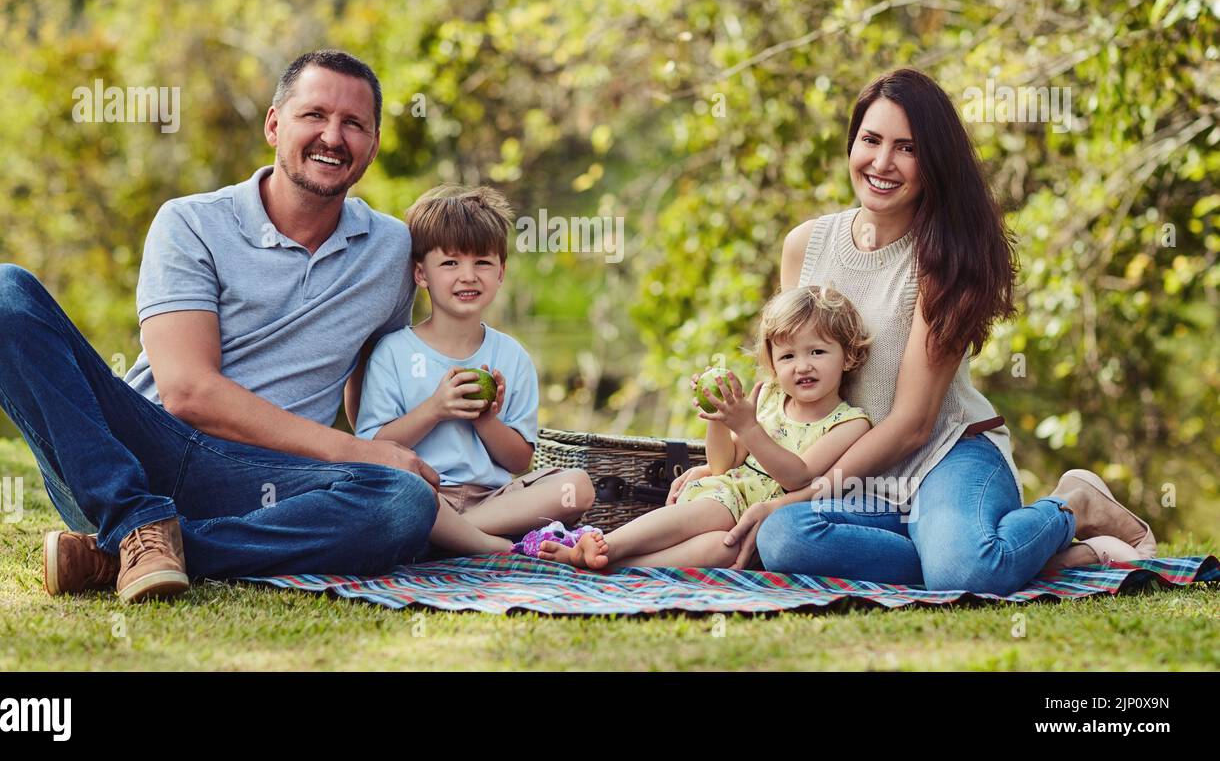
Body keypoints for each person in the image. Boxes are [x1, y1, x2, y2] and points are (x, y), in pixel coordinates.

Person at [0, 49, 440, 603]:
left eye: (353, 124)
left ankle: (123, 551)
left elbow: (371, 400)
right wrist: (352, 452)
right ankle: (131, 516)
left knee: (404, 502)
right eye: (315, 115)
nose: (333, 136)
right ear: (274, 123)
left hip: (268, 482)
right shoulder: (190, 222)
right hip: (137, 454)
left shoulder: (391, 252)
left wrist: (450, 450)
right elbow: (188, 392)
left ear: (373, 146)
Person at [687, 67, 1153, 592]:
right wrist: (726, 469)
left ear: (933, 162)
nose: (882, 163)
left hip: (945, 456)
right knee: (784, 539)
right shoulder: (805, 244)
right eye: (871, 140)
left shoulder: (946, 260)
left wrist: (801, 494)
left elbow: (912, 423)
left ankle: (1074, 504)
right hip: (850, 480)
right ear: (851, 143)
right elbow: (780, 385)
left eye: (906, 148)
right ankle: (961, 550)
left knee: (965, 573)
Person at [541, 285, 873, 571]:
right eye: (787, 357)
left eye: (817, 351)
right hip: (726, 496)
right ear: (773, 363)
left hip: (768, 519)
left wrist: (747, 426)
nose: (803, 366)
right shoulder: (770, 397)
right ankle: (606, 544)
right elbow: (721, 465)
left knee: (724, 549)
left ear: (847, 357)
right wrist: (719, 419)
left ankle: (611, 562)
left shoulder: (849, 423)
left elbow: (798, 477)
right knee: (713, 512)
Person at [356, 184, 596, 556]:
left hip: (496, 506)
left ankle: (457, 538)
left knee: (577, 486)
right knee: (397, 495)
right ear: (421, 274)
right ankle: (498, 550)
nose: (468, 276)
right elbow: (372, 447)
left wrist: (485, 418)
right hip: (423, 493)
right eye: (450, 263)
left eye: (482, 262)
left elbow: (519, 461)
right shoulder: (394, 352)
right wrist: (435, 409)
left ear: (500, 272)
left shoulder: (511, 356)